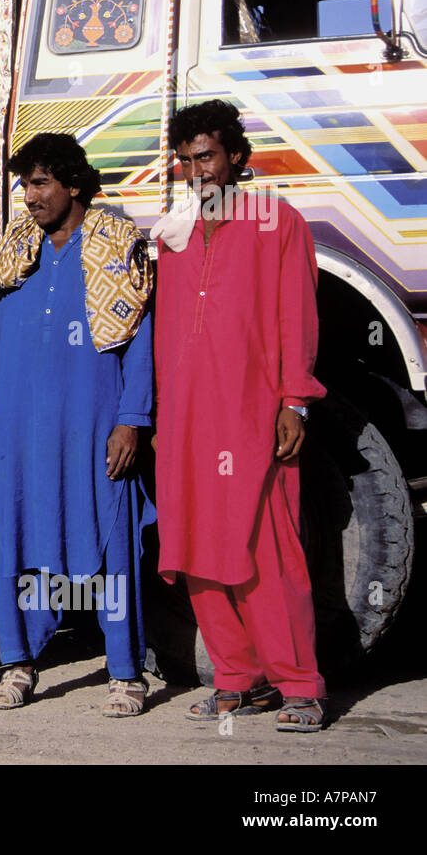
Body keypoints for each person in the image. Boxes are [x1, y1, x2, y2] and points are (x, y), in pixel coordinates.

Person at [0, 132, 155, 717]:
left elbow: (141, 341)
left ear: (74, 184)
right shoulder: (16, 250)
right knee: (17, 536)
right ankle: (18, 663)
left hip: (92, 423)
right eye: (24, 185)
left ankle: (125, 671)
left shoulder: (119, 245)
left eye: (40, 183)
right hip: (18, 428)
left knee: (108, 536)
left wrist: (131, 419)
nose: (30, 197)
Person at [152, 99, 328, 732]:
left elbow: (295, 318)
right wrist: (161, 420)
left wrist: (294, 402)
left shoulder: (277, 222)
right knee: (196, 546)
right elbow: (164, 337)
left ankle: (300, 685)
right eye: (187, 160)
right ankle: (238, 679)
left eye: (207, 156)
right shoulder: (175, 234)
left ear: (235, 157)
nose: (197, 170)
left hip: (253, 415)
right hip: (186, 421)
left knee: (268, 550)